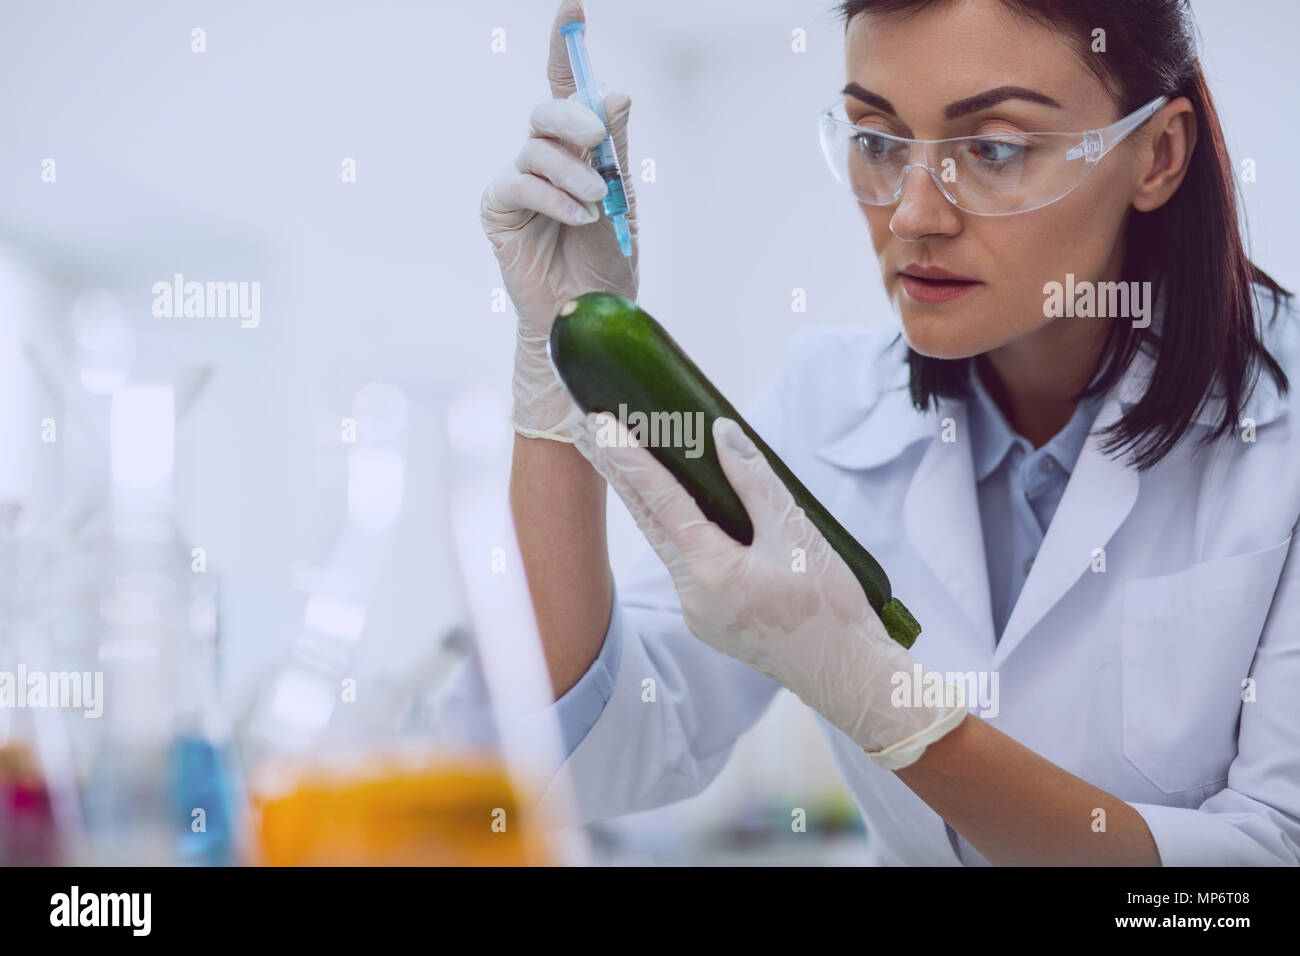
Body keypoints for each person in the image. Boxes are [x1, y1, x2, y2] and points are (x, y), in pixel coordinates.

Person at [479, 0, 1300, 865]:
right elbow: (595, 755)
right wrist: (558, 356)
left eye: (993, 149)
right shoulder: (824, 404)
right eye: (877, 140)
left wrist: (886, 703)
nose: (913, 215)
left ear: (1158, 154)